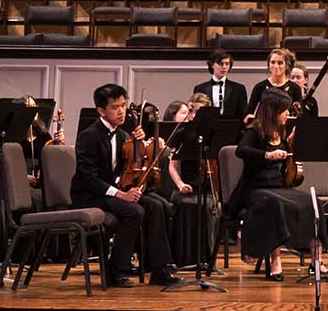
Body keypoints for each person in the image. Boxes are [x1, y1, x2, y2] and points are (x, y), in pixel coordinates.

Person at [72, 83, 182, 287]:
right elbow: (88, 178)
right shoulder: (89, 136)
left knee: (158, 205)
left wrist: (140, 147)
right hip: (90, 195)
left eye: (123, 105)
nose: (121, 111)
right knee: (134, 211)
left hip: (114, 192)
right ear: (101, 111)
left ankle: (159, 269)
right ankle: (115, 270)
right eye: (115, 107)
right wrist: (120, 194)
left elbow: (127, 171)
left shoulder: (123, 135)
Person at [228, 90, 317, 279]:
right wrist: (267, 155)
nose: (287, 114)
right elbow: (241, 150)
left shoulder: (282, 130)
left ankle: (316, 261)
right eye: (284, 110)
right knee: (274, 204)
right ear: (273, 111)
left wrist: (291, 149)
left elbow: (286, 164)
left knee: (311, 202)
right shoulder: (254, 130)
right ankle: (275, 260)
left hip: (279, 187)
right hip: (256, 188)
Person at [152, 100, 210, 267]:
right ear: (172, 116)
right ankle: (180, 256)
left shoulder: (192, 135)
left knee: (204, 203)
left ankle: (201, 257)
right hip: (167, 183)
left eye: (189, 112)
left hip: (187, 183)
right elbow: (171, 165)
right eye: (184, 113)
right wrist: (180, 184)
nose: (189, 116)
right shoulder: (174, 136)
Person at [193, 50, 249, 123]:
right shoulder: (200, 88)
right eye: (220, 63)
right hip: (207, 127)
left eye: (227, 64)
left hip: (231, 126)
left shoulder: (239, 89)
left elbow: (242, 113)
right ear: (212, 65)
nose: (224, 67)